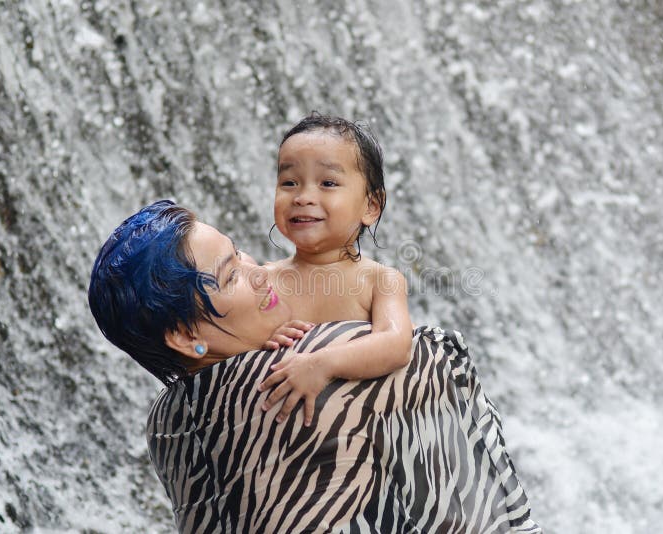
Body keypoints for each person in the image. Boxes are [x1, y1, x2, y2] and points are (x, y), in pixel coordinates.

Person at [88, 200, 540, 533]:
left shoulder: (165, 425)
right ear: (186, 337)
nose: (260, 271)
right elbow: (443, 360)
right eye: (232, 276)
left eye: (241, 253)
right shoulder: (317, 367)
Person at [258, 113, 413, 427]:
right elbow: (234, 340)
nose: (303, 197)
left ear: (371, 206)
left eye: (327, 183)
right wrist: (263, 338)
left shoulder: (379, 281)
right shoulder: (262, 280)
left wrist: (322, 364)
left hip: (354, 441)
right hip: (280, 447)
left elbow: (397, 343)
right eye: (289, 183)